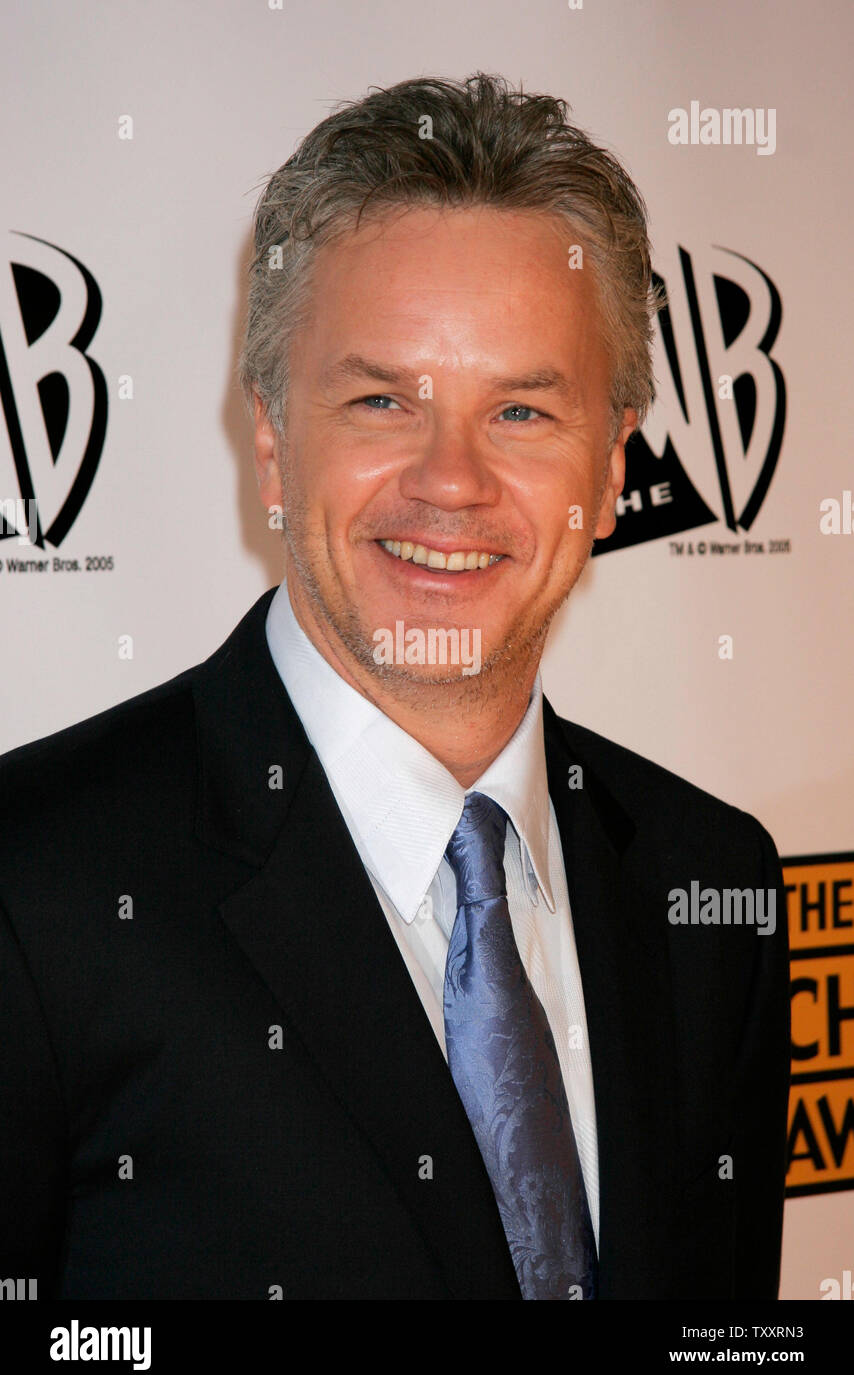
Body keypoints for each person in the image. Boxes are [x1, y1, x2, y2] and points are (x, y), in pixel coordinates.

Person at [0, 72, 790, 1300]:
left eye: (522, 409)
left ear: (613, 458)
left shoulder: (711, 878)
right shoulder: (35, 887)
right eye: (382, 400)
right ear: (268, 432)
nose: (452, 481)